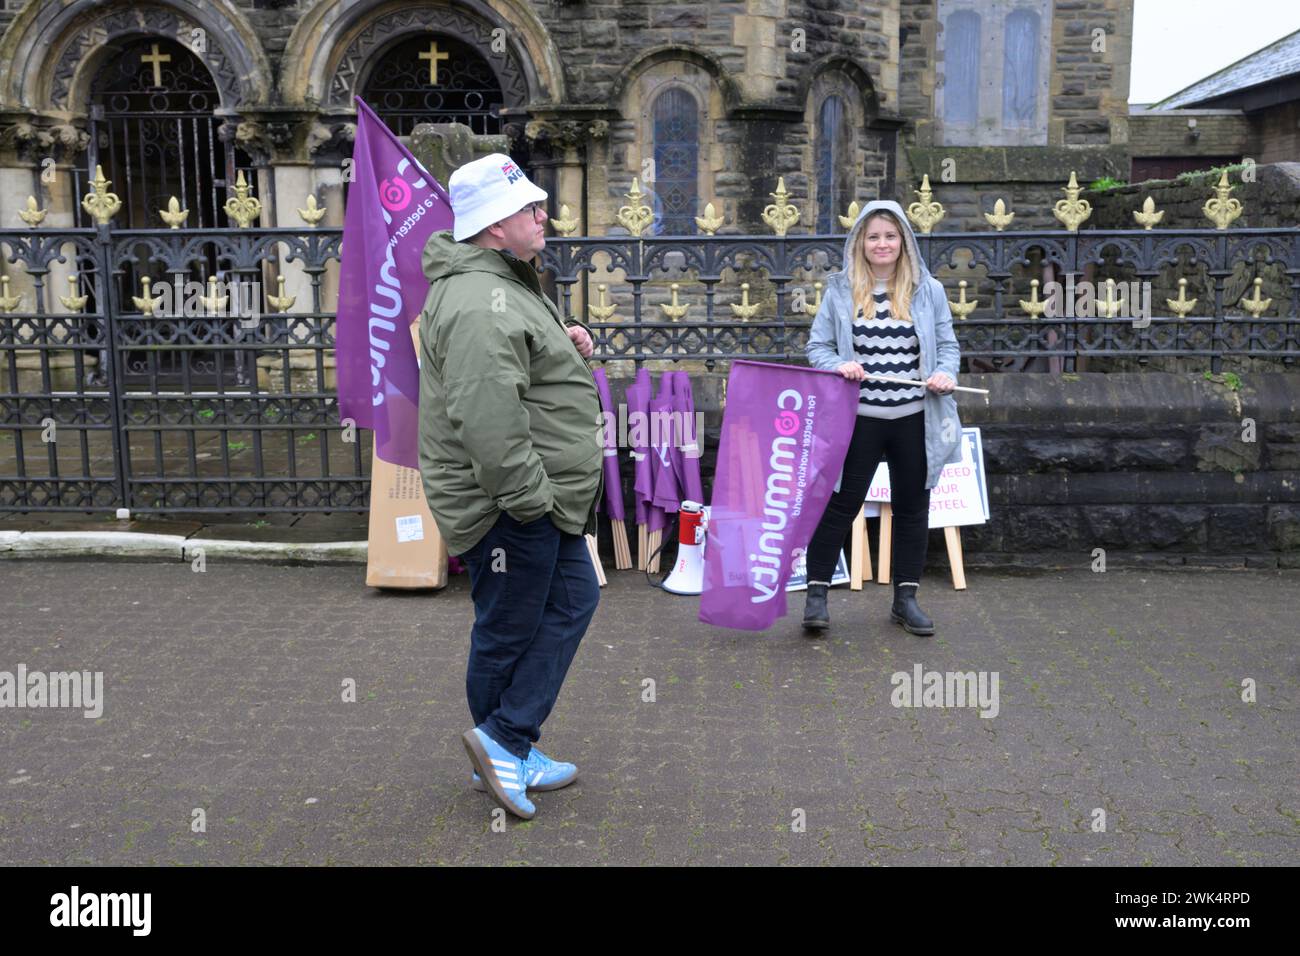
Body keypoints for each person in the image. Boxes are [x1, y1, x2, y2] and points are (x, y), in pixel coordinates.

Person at [417, 153, 602, 820]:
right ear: (495, 225)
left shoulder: (505, 281)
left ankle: (507, 743)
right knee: (509, 629)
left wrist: (564, 339)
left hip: (535, 498)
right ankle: (503, 744)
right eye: (529, 207)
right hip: (514, 502)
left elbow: (517, 367)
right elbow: (489, 420)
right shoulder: (478, 300)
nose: (542, 214)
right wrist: (532, 503)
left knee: (569, 602)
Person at [803, 200, 962, 637]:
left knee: (913, 508)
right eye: (873, 236)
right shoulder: (839, 290)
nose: (882, 244)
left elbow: (948, 346)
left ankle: (905, 599)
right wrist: (838, 365)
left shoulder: (928, 290)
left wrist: (945, 373)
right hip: (859, 421)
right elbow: (817, 348)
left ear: (904, 241)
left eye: (890, 236)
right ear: (859, 242)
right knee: (842, 504)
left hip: (915, 418)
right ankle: (816, 595)